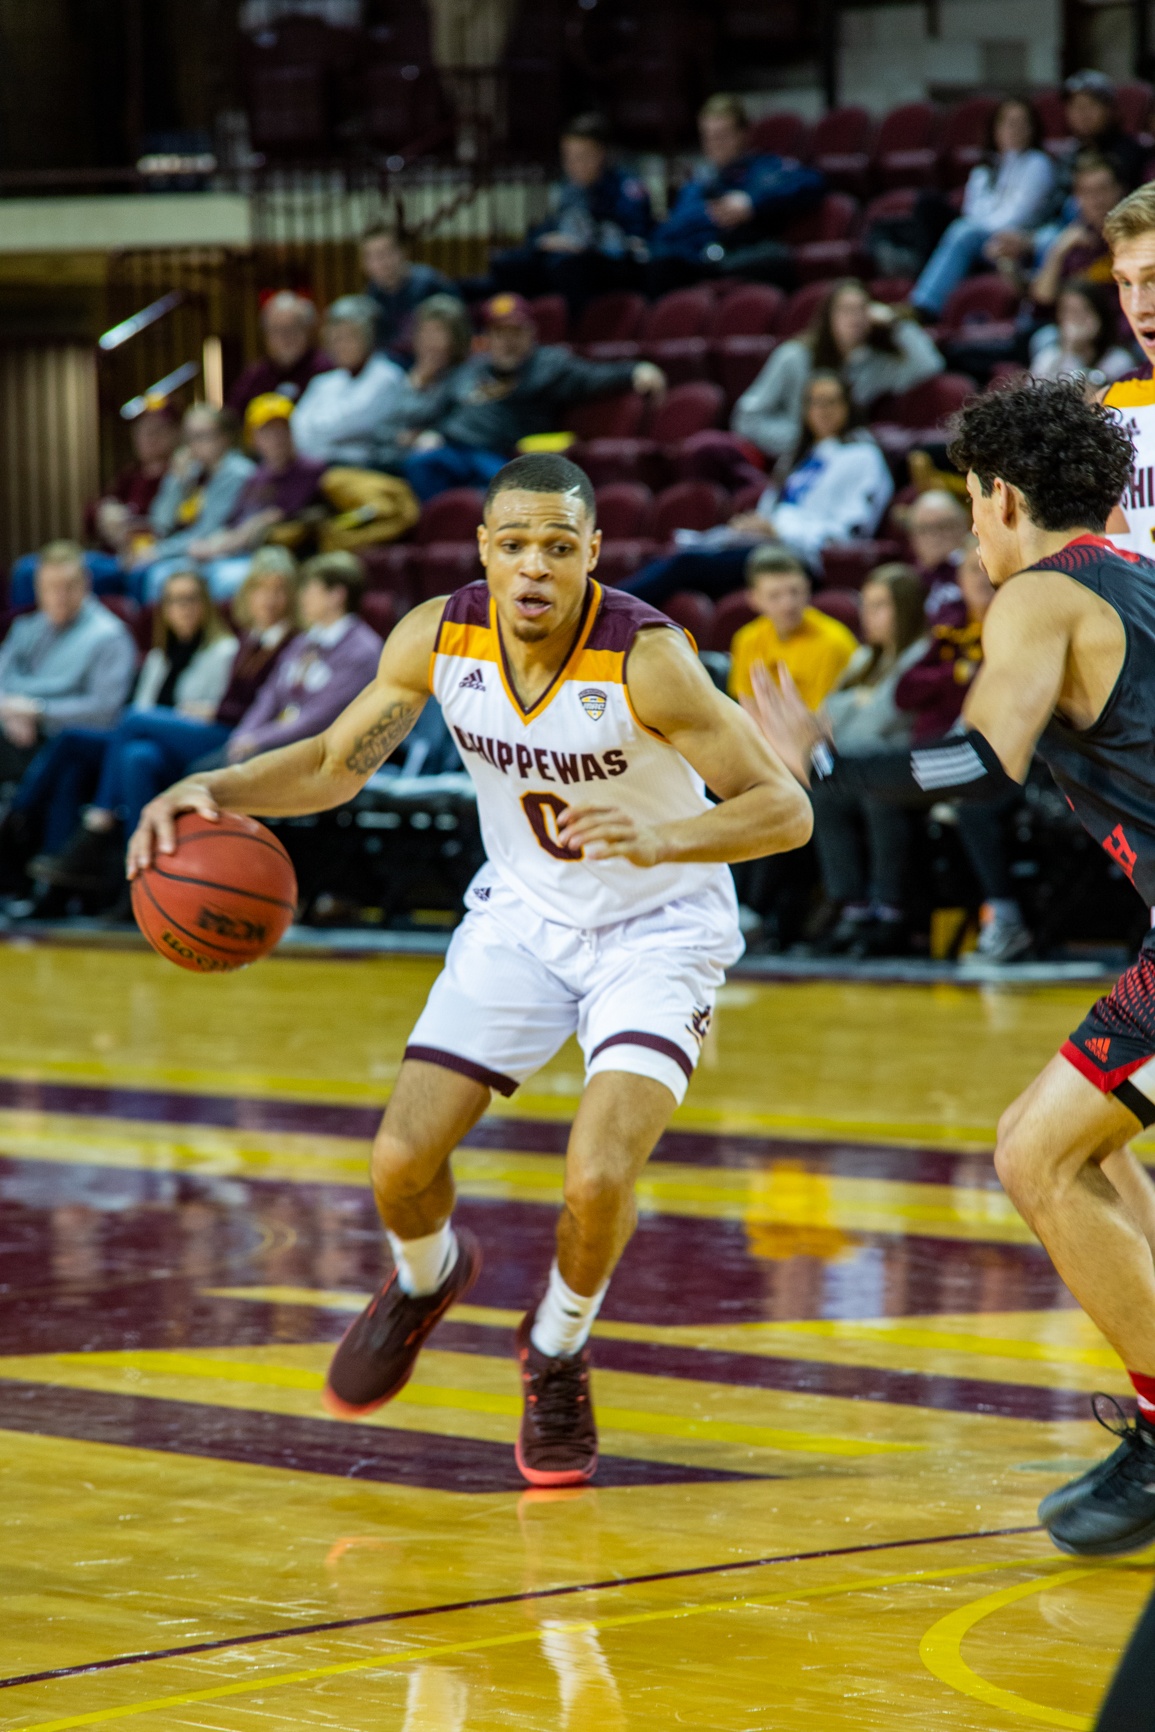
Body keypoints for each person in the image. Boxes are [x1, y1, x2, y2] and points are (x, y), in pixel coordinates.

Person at [127, 452, 810, 1489]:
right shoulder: (438, 636)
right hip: (523, 921)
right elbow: (329, 764)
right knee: (399, 1162)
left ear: (591, 553)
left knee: (597, 1174)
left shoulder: (647, 659)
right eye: (513, 544)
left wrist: (663, 839)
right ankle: (425, 1277)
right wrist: (213, 787)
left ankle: (560, 1347)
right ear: (483, 547)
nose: (533, 566)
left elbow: (784, 810)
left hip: (658, 930)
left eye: (556, 547)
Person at [743, 375, 1155, 1556]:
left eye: (973, 504)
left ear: (1006, 497)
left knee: (1035, 1154)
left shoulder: (1041, 592)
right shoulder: (1140, 575)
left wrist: (824, 771)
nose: (972, 529)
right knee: (1096, 1155)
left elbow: (978, 764)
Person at [12, 568, 238, 899]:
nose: (184, 608)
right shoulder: (160, 657)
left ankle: (87, 821)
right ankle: (74, 886)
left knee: (133, 721)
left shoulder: (224, 651)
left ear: (206, 604)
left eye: (191, 599)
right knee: (106, 750)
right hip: (153, 746)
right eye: (174, 601)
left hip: (201, 746)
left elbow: (217, 711)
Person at [627, 372, 895, 609]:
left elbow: (852, 529)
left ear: (849, 406)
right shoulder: (797, 457)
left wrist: (778, 530)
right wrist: (752, 526)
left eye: (831, 401)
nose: (822, 410)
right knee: (671, 558)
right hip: (766, 545)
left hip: (802, 557)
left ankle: (609, 607)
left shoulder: (863, 456)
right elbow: (773, 509)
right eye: (814, 402)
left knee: (686, 565)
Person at [895, 539, 1032, 963]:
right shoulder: (949, 627)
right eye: (971, 570)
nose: (981, 577)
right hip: (949, 752)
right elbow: (905, 691)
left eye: (985, 567)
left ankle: (1005, 920)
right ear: (958, 581)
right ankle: (886, 917)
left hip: (1020, 758)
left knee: (972, 805)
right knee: (884, 800)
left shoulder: (1025, 621)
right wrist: (958, 673)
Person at [401, 292, 665, 501]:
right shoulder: (471, 369)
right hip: (451, 449)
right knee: (419, 464)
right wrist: (425, 431)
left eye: (515, 332)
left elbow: (590, 376)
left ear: (531, 333)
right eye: (499, 333)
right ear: (488, 338)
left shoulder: (548, 366)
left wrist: (634, 370)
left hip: (500, 454)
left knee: (504, 493)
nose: (507, 342)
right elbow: (439, 409)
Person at [807, 564, 929, 956]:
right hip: (861, 766)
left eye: (880, 605)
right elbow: (825, 719)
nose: (868, 614)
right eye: (867, 605)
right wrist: (851, 713)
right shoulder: (863, 660)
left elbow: (882, 718)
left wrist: (849, 712)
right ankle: (853, 907)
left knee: (879, 796)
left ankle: (891, 911)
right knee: (821, 794)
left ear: (906, 609)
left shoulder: (922, 653)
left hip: (906, 766)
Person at [731, 278, 944, 462]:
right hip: (792, 457)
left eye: (862, 309)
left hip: (843, 460)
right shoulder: (794, 356)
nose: (855, 317)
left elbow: (928, 365)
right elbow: (747, 418)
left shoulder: (873, 363)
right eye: (846, 310)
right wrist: (807, 441)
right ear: (828, 316)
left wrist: (894, 321)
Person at [647, 94, 823, 296]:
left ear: (743, 134)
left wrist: (751, 203)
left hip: (742, 255)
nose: (715, 144)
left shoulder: (764, 168)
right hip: (696, 261)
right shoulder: (698, 184)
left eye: (722, 135)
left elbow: (812, 181)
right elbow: (669, 231)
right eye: (708, 137)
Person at [8, 408, 181, 610]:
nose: (148, 439)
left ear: (176, 434)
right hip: (112, 557)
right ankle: (25, 637)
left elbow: (176, 525)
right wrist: (103, 515)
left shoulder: (182, 476)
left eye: (156, 431)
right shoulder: (130, 475)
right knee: (26, 569)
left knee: (142, 574)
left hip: (149, 558)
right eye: (142, 432)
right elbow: (91, 514)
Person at [219, 551, 383, 766]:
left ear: (336, 595)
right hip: (277, 745)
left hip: (320, 755)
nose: (302, 597)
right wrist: (243, 735)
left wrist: (258, 739)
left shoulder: (361, 651)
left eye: (310, 590)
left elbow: (320, 718)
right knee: (200, 772)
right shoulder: (303, 641)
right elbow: (270, 696)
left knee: (215, 784)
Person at [486, 113, 651, 317]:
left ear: (600, 155)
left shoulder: (626, 188)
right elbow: (544, 231)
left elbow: (634, 239)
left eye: (580, 156)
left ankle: (578, 334)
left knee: (569, 267)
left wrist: (582, 244)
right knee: (506, 264)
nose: (572, 164)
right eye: (567, 157)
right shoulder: (568, 190)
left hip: (605, 266)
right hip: (563, 260)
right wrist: (543, 241)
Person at [0, 543, 136, 787]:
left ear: (86, 583)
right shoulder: (25, 626)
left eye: (68, 587)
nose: (59, 597)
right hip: (12, 725)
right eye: (51, 588)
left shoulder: (110, 635)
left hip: (62, 736)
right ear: (38, 589)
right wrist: (10, 713)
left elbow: (105, 711)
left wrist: (38, 712)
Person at [910, 99, 1054, 321]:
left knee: (963, 231)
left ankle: (924, 305)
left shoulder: (1038, 163)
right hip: (988, 239)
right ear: (995, 130)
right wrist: (990, 238)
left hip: (1021, 235)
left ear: (1032, 129)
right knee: (958, 226)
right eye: (1008, 123)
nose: (1014, 130)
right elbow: (972, 211)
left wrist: (991, 236)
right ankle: (923, 306)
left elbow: (1020, 214)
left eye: (1021, 123)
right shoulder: (984, 170)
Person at [184, 394, 326, 599]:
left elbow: (272, 517)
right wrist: (211, 544)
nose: (277, 438)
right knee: (180, 575)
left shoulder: (309, 470)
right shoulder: (256, 476)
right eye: (267, 432)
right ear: (254, 438)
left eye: (282, 429)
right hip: (239, 552)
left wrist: (219, 547)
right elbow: (233, 522)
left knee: (224, 580)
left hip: (278, 555)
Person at [128, 406, 256, 602]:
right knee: (139, 573)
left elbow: (207, 531)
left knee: (158, 577)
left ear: (224, 437)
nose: (193, 445)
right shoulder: (193, 471)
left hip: (223, 552)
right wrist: (176, 480)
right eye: (190, 437)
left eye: (202, 436)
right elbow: (159, 523)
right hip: (192, 552)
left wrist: (158, 551)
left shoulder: (237, 473)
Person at [727, 546, 858, 709]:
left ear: (808, 588)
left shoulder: (834, 643)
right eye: (774, 596)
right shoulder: (746, 638)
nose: (787, 604)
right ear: (754, 599)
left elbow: (825, 720)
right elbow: (747, 706)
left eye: (795, 592)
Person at [290, 297, 406, 470]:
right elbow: (296, 427)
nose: (341, 346)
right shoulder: (323, 382)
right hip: (317, 467)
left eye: (349, 337)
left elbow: (353, 424)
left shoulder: (386, 376)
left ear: (367, 337)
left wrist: (317, 431)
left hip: (366, 466)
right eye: (336, 339)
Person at [375, 295, 474, 474]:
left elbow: (449, 429)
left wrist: (412, 436)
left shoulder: (464, 375)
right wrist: (413, 384)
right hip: (388, 459)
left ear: (456, 339)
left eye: (439, 332)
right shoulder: (406, 374)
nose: (430, 342)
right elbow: (380, 430)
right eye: (425, 332)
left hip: (432, 463)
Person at [1029, 153, 1124, 310]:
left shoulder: (1139, 237)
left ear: (1119, 190)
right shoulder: (1072, 241)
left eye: (1103, 189)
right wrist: (1058, 251)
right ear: (1077, 197)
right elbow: (1043, 298)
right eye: (1087, 192)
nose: (1096, 200)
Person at [226, 291, 331, 418]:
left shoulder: (327, 370)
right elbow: (232, 419)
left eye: (292, 328)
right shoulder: (255, 376)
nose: (284, 338)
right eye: (276, 330)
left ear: (308, 331)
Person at [360, 225, 456, 358]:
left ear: (402, 252)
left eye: (387, 252)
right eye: (374, 256)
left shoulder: (430, 283)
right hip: (393, 366)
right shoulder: (371, 296)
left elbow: (457, 332)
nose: (382, 262)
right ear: (365, 264)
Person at [1030, 280, 1135, 391]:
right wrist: (1069, 350)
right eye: (1070, 311)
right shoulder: (1048, 357)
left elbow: (1087, 395)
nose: (1077, 319)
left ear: (1099, 315)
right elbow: (1035, 396)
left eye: (1084, 310)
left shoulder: (1119, 359)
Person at [902, 487, 972, 627]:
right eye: (924, 529)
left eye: (944, 526)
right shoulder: (911, 582)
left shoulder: (978, 572)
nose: (934, 537)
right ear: (912, 537)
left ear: (964, 525)